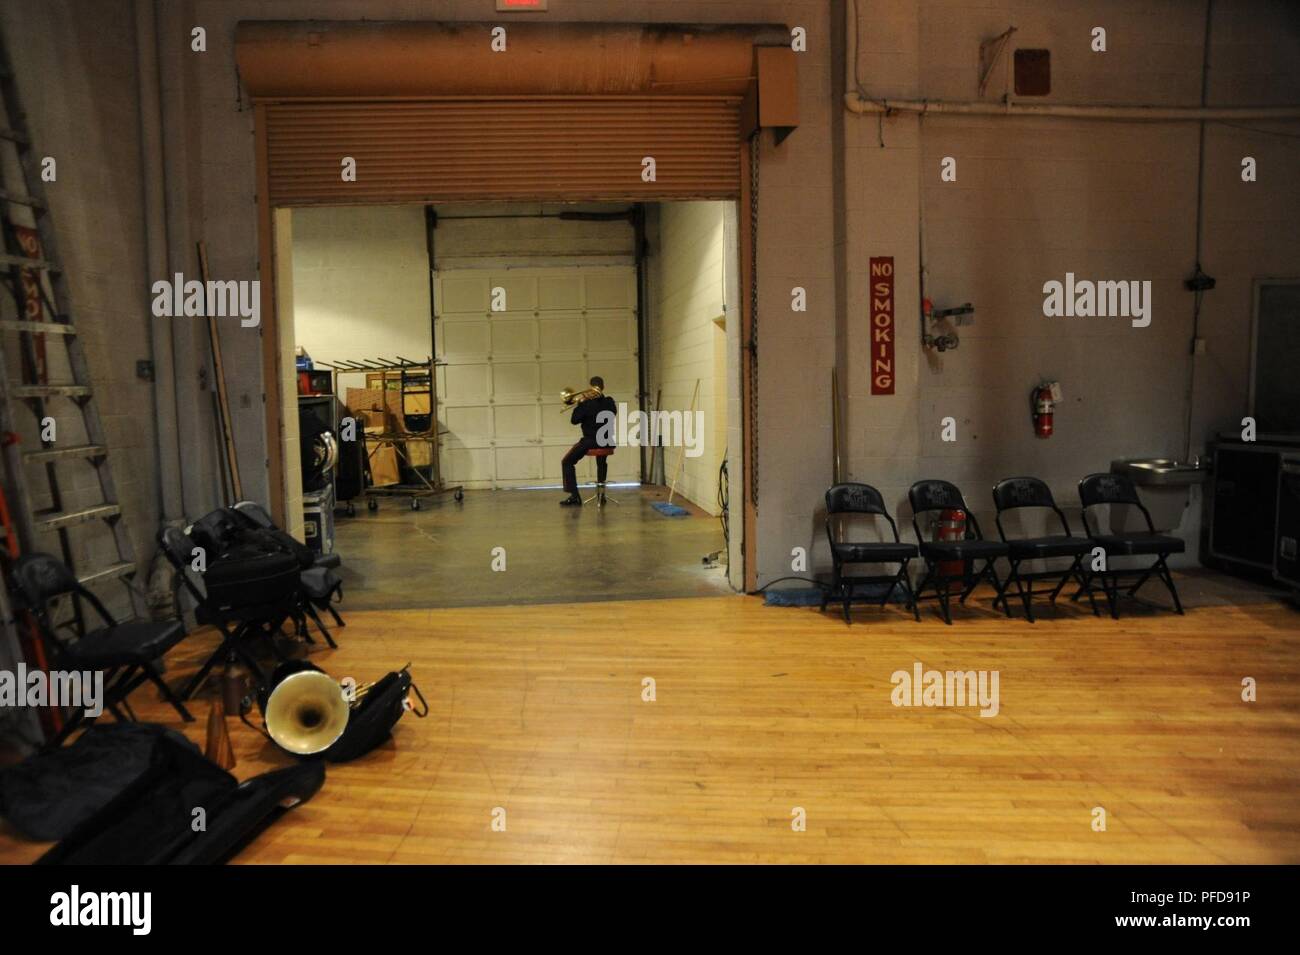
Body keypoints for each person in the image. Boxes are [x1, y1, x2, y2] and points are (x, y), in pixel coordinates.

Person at [559, 376, 617, 506]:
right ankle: (601, 496)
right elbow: (613, 413)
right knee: (602, 462)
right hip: (607, 441)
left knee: (567, 462)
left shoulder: (586, 404)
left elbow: (574, 420)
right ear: (603, 387)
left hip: (590, 441)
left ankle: (574, 496)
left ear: (591, 387)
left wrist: (580, 404)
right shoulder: (609, 401)